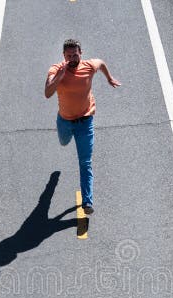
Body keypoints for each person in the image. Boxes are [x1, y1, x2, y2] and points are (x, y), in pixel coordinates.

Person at [45, 39, 120, 214]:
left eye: (75, 55)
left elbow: (100, 63)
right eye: (68, 55)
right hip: (65, 121)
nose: (72, 58)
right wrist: (60, 76)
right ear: (63, 56)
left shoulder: (89, 66)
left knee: (85, 162)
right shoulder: (55, 70)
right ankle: (51, 184)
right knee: (64, 142)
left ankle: (87, 202)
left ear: (81, 53)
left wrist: (109, 78)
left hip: (85, 122)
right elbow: (48, 93)